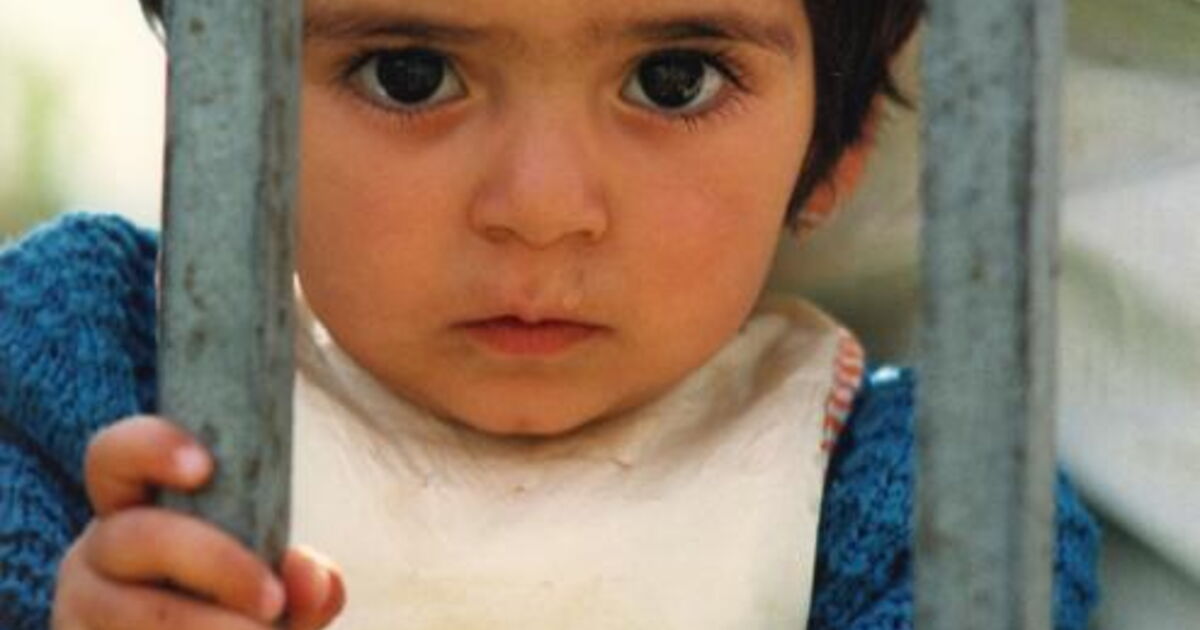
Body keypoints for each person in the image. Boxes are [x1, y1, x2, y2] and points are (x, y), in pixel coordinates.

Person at [0, 0, 1100, 628]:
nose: (539, 208)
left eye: (672, 81)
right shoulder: (89, 371)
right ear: (224, 93)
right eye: (410, 74)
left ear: (836, 148)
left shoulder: (927, 496)